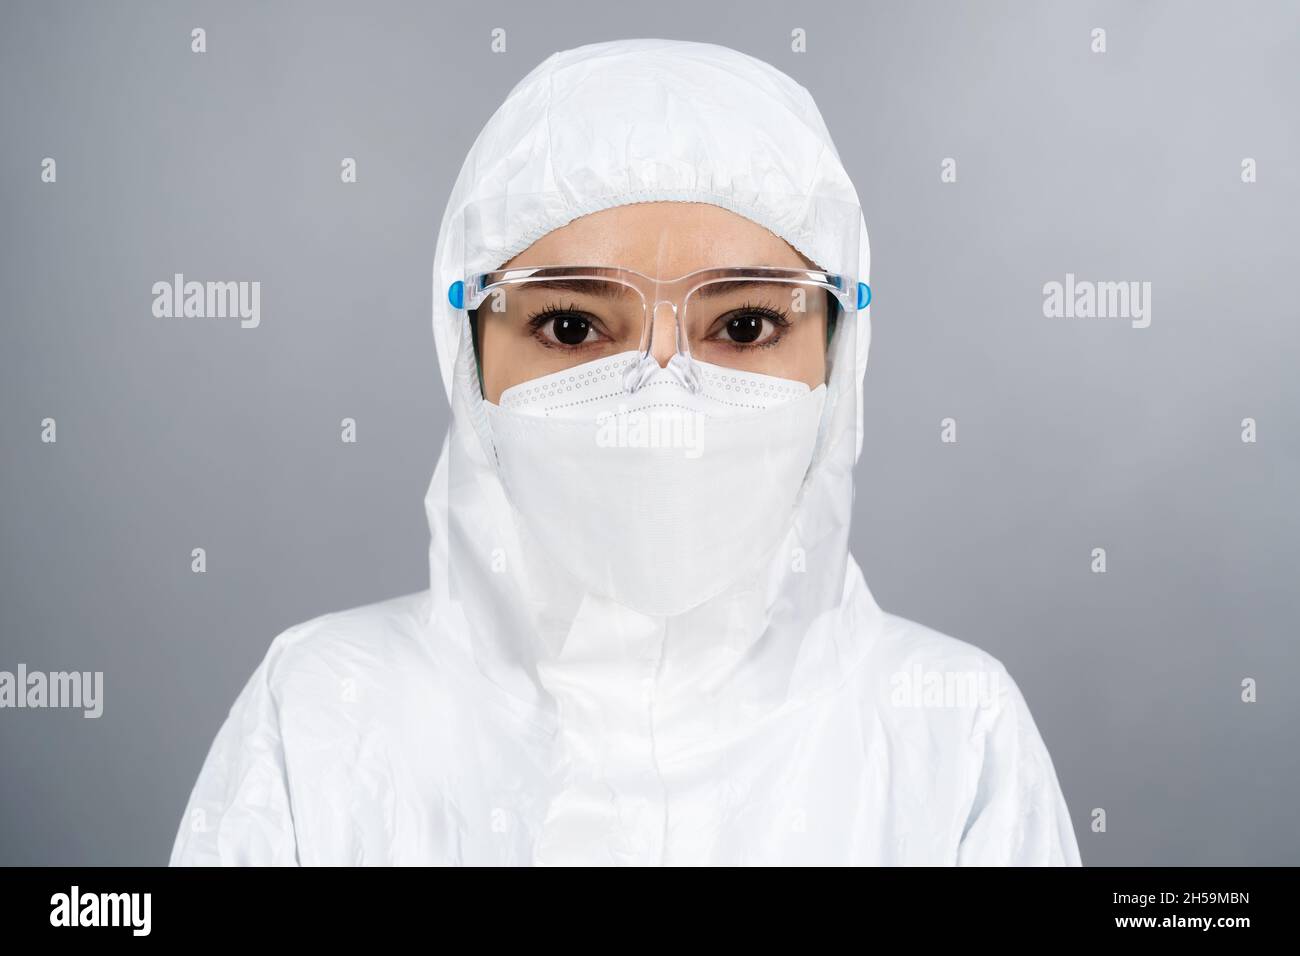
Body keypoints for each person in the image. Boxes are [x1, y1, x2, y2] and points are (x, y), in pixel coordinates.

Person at [170, 38, 1081, 866]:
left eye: (746, 323)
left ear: (838, 364)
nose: (662, 399)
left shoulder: (955, 735)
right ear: (471, 363)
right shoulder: (324, 716)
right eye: (572, 326)